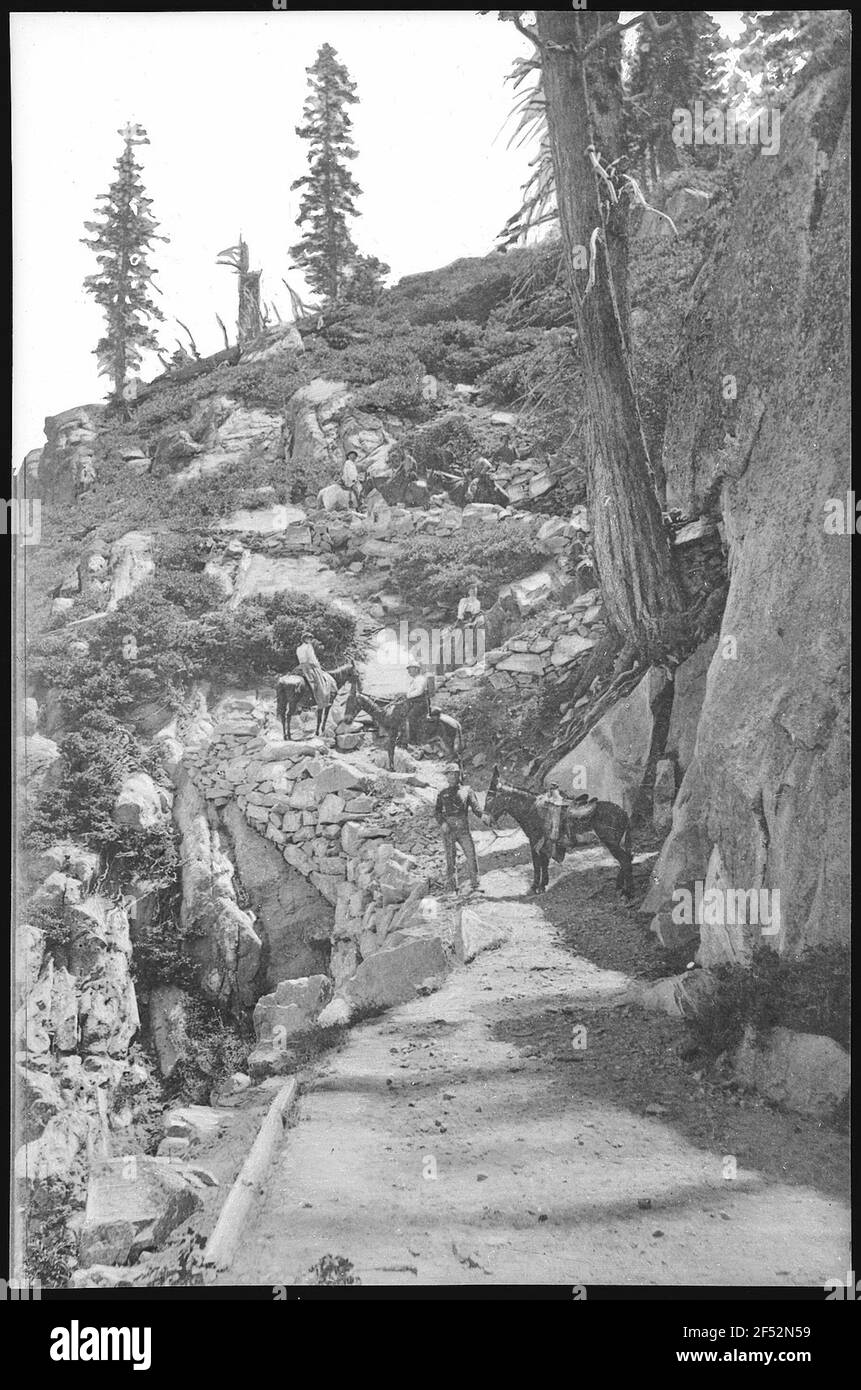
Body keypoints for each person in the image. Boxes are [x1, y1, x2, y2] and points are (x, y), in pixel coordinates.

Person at [434, 764, 491, 894]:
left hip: (463, 828)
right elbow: (437, 812)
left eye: (455, 773)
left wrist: (483, 816)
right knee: (450, 858)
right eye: (450, 774)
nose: (453, 776)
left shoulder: (467, 790)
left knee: (471, 855)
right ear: (446, 777)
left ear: (459, 775)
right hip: (448, 829)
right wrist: (442, 823)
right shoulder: (442, 793)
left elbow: (476, 809)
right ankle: (452, 888)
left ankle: (475, 884)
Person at [296, 631, 328, 710]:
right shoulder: (309, 647)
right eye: (308, 638)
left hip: (301, 665)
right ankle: (320, 701)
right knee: (318, 680)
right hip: (309, 665)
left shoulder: (299, 648)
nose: (309, 640)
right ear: (305, 639)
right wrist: (317, 665)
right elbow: (312, 658)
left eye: (310, 638)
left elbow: (300, 658)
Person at [404, 660, 430, 744]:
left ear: (416, 669)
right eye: (408, 669)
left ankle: (414, 741)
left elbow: (419, 691)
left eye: (410, 669)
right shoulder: (415, 680)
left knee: (411, 717)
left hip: (420, 704)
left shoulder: (420, 679)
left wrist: (408, 696)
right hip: (415, 703)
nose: (408, 671)